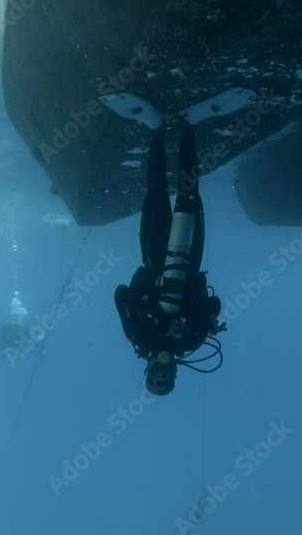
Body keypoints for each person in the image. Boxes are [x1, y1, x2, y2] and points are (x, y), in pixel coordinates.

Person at [103, 88, 257, 396]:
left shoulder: (140, 338)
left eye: (154, 379)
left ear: (147, 370)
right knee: (189, 191)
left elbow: (120, 295)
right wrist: (210, 319)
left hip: (155, 257)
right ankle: (188, 125)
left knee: (156, 194)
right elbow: (213, 303)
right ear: (175, 376)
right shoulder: (190, 342)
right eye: (167, 381)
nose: (162, 374)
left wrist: (144, 306)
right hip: (190, 259)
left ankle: (156, 130)